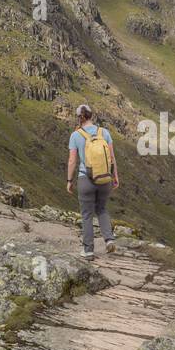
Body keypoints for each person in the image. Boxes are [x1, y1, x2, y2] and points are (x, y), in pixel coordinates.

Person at [66, 104, 118, 259]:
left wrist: (69, 180)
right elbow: (112, 157)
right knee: (101, 208)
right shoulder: (104, 133)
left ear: (79, 118)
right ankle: (109, 239)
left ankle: (88, 250)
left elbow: (72, 160)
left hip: (85, 178)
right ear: (91, 116)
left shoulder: (75, 136)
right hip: (104, 178)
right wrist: (115, 176)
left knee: (87, 214)